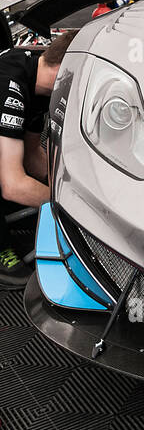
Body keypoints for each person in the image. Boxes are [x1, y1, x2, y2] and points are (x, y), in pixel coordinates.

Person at [0, 30, 78, 285]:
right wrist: (74, 210)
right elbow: (12, 185)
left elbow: (34, 156)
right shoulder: (10, 84)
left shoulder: (39, 84)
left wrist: (68, 186)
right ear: (65, 71)